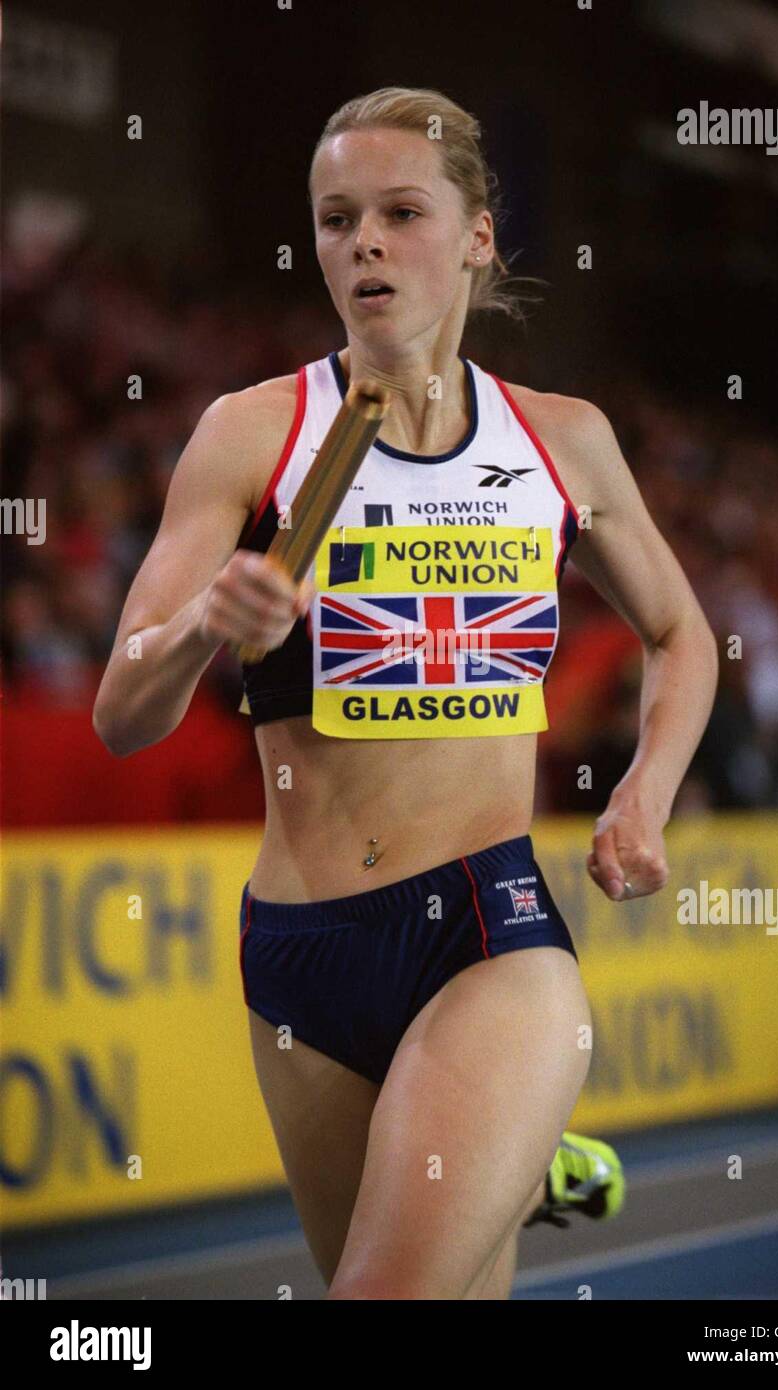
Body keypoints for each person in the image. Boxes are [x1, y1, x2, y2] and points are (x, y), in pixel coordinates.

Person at [93, 86, 718, 1300]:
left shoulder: (559, 441)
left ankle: (511, 1133)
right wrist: (201, 627)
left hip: (486, 933)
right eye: (335, 220)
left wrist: (643, 797)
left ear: (478, 235)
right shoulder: (253, 432)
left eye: (397, 212)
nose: (362, 242)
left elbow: (681, 633)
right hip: (300, 958)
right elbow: (124, 711)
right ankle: (524, 1167)